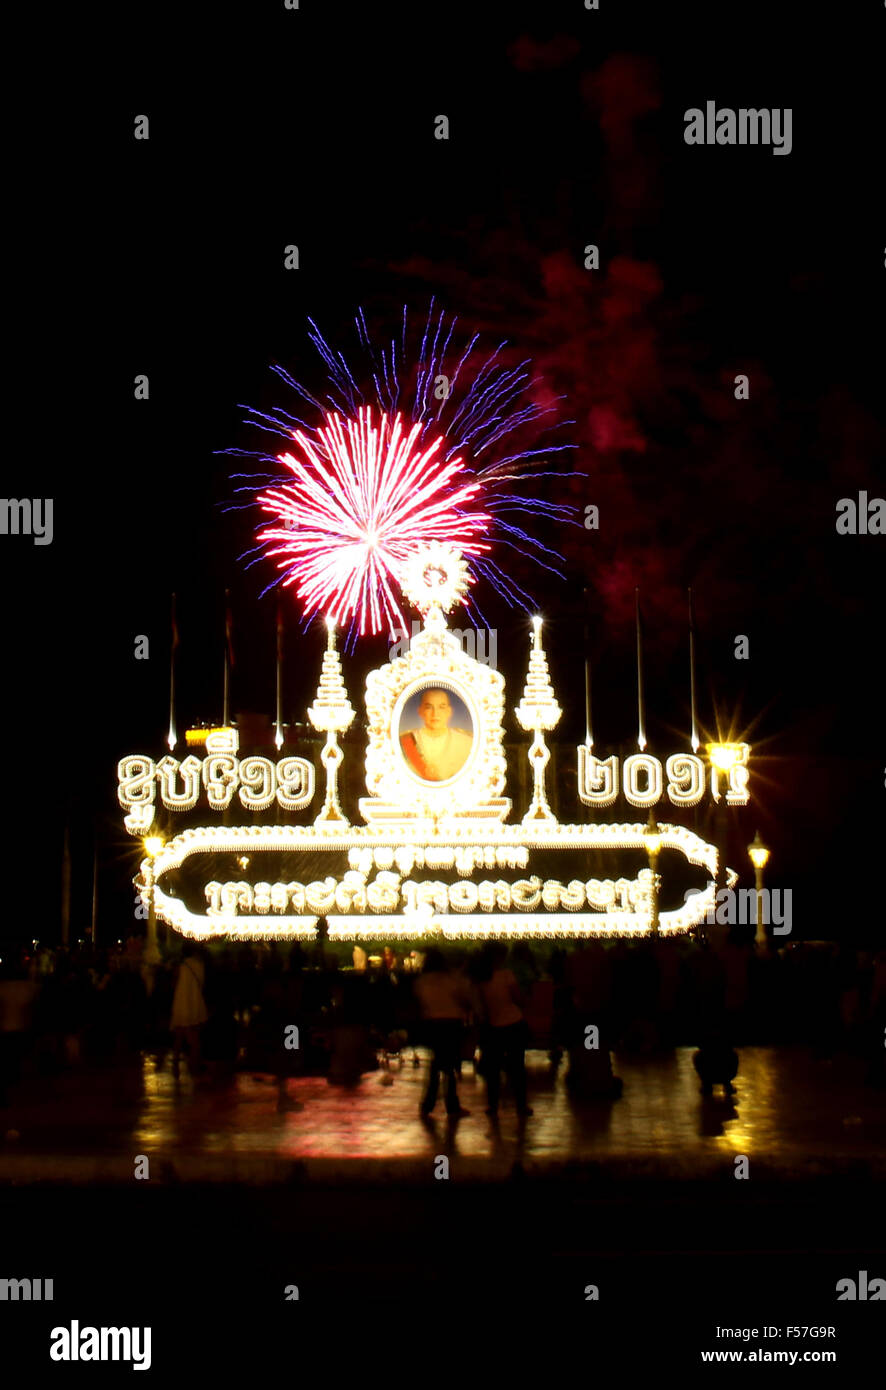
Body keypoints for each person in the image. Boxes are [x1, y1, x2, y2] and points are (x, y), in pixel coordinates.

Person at [475, 944, 532, 1117]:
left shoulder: (481, 979)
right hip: (514, 1023)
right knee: (517, 1068)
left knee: (493, 1071)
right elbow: (518, 999)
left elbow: (481, 1006)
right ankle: (521, 1106)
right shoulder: (507, 975)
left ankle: (493, 1106)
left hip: (494, 1027)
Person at [414, 949, 472, 1117]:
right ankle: (451, 1105)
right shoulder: (452, 979)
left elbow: (419, 1003)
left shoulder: (422, 981)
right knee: (450, 1065)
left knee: (436, 1063)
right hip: (452, 1023)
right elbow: (464, 998)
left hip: (432, 1024)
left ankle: (428, 1103)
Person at [400, 689, 472, 782]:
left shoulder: (466, 742)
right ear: (420, 711)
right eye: (429, 707)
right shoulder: (404, 742)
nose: (435, 713)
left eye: (441, 707)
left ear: (449, 711)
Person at [170, 943, 209, 1071]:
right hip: (195, 1001)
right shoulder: (200, 965)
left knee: (180, 1033)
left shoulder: (181, 966)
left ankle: (179, 1060)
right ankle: (194, 1061)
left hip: (182, 1001)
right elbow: (202, 983)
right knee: (193, 1033)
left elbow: (174, 983)